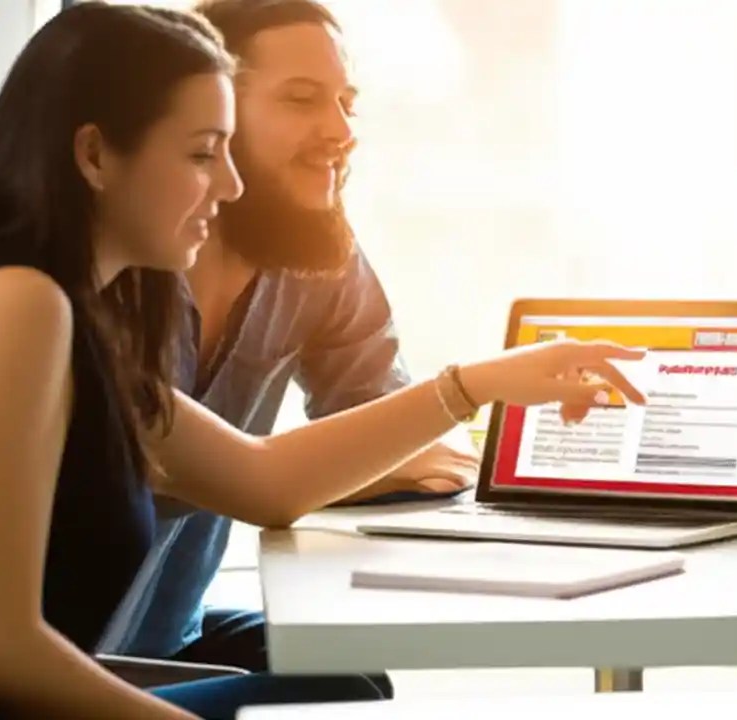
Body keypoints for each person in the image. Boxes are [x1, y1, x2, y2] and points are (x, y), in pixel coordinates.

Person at [0, 4, 643, 719]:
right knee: (328, 695)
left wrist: (479, 384)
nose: (228, 184)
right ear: (95, 155)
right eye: (203, 152)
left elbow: (264, 480)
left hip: (88, 662)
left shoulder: (90, 327)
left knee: (338, 682)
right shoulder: (23, 303)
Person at [99, 1, 477, 688]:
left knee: (349, 671)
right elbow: (251, 478)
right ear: (211, 113)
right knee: (329, 688)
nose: (339, 131)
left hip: (163, 634)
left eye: (346, 104)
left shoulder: (316, 257)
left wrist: (342, 459)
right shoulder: (97, 276)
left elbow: (399, 439)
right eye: (301, 100)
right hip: (60, 658)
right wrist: (461, 395)